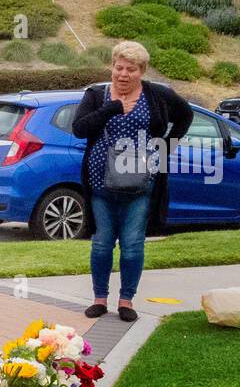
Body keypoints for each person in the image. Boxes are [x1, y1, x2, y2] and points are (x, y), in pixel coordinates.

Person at [72, 40, 193, 322]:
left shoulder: (157, 95)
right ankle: (99, 299)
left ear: (142, 71)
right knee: (102, 242)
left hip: (141, 183)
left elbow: (185, 115)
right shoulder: (96, 95)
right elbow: (80, 128)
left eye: (131, 69)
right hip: (101, 182)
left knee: (132, 243)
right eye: (119, 67)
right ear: (112, 67)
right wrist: (112, 108)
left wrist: (165, 147)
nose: (123, 74)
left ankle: (126, 301)